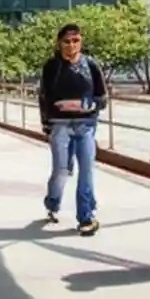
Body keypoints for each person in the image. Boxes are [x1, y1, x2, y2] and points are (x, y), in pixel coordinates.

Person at [38, 24, 106, 236]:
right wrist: (47, 124)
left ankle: (85, 216)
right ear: (59, 44)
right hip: (60, 126)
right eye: (66, 41)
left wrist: (90, 106)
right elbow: (44, 98)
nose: (71, 46)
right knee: (62, 170)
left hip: (85, 125)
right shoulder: (52, 67)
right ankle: (52, 201)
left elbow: (102, 97)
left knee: (86, 171)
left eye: (75, 41)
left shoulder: (91, 65)